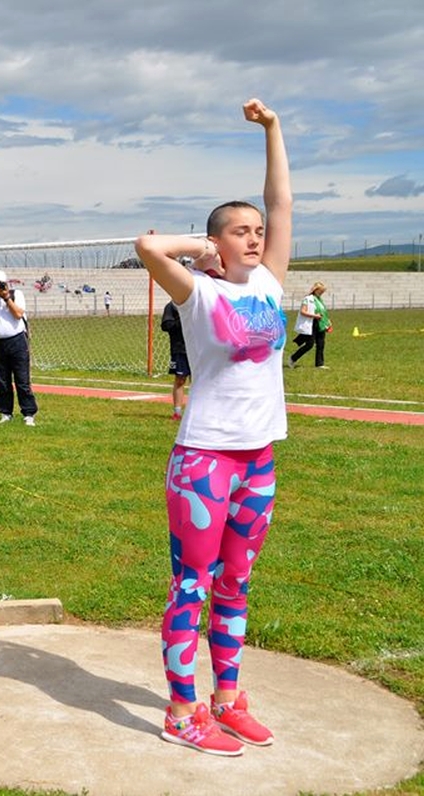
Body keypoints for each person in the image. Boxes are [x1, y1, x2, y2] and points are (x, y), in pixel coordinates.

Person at [134, 98, 291, 757]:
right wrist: (201, 251)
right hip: (204, 463)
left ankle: (226, 699)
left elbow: (281, 206)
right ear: (217, 241)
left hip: (257, 459)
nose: (256, 236)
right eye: (241, 231)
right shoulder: (201, 294)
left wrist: (273, 130)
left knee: (236, 584)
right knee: (192, 586)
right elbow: (146, 246)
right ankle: (180, 708)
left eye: (258, 230)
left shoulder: (270, 288)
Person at [0, 269, 37, 425]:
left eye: (0, 284)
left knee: (22, 380)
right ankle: (5, 412)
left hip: (17, 341)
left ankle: (28, 413)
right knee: (2, 380)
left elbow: (18, 314)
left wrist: (6, 297)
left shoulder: (17, 295)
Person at [288, 281, 331, 368]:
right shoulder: (308, 299)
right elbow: (303, 311)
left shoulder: (320, 300)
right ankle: (293, 358)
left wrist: (328, 321)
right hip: (312, 323)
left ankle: (319, 364)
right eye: (321, 291)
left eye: (323, 291)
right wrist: (314, 316)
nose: (322, 293)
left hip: (320, 323)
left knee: (321, 343)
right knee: (309, 344)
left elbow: (323, 312)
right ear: (315, 290)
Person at [161, 301, 191, 420]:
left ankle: (197, 412)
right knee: (180, 380)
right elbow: (166, 325)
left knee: (199, 381)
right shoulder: (172, 306)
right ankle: (177, 412)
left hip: (198, 349)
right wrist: (183, 319)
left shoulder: (198, 304)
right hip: (180, 349)